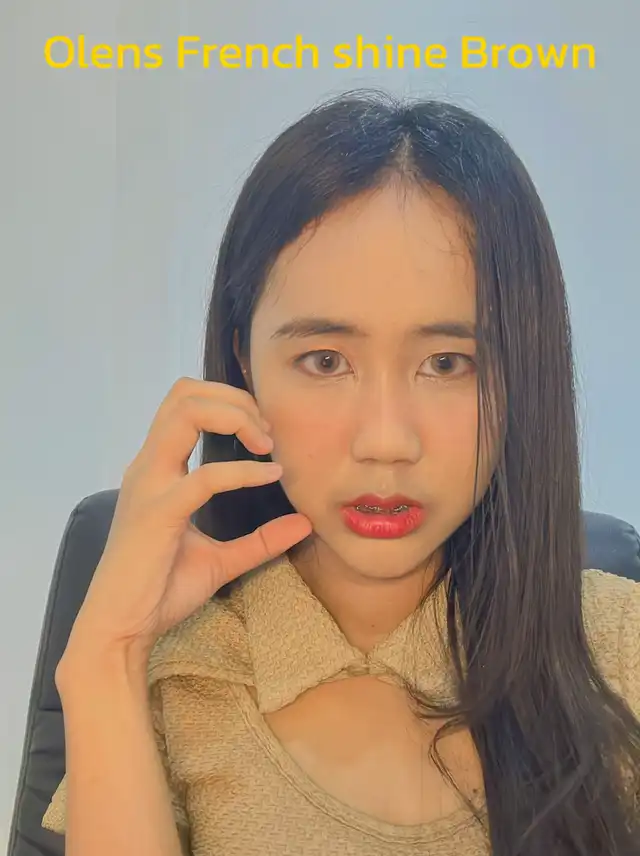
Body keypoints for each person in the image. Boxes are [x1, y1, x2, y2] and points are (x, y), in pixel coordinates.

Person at [41, 89, 640, 856]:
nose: (386, 441)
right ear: (242, 361)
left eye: (447, 363)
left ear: (522, 371)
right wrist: (105, 658)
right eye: (325, 361)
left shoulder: (618, 650)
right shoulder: (175, 682)